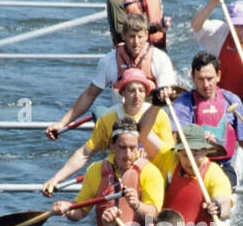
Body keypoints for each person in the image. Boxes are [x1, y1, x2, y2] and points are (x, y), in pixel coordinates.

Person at [50, 120, 164, 226]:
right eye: (123, 147)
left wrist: (136, 205)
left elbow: (153, 215)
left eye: (133, 148)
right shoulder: (96, 170)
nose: (129, 154)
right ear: (112, 145)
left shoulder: (150, 172)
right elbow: (80, 212)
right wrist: (67, 209)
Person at [41, 68, 172, 195]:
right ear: (123, 93)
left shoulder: (159, 115)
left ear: (146, 93)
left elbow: (169, 156)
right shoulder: (108, 119)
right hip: (120, 180)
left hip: (153, 179)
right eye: (131, 91)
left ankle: (150, 214)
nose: (137, 96)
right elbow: (84, 153)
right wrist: (56, 179)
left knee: (148, 215)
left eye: (141, 91)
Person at [45, 14, 177, 139]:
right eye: (132, 36)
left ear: (147, 35)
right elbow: (89, 95)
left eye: (140, 36)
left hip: (151, 122)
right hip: (122, 122)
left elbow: (168, 92)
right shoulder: (109, 61)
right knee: (99, 112)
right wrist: (61, 123)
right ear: (123, 36)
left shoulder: (160, 59)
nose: (136, 42)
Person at [170, 51, 243, 188]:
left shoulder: (231, 100)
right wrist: (199, 137)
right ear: (193, 77)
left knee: (224, 186)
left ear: (219, 76)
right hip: (193, 165)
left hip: (223, 167)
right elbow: (176, 136)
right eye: (200, 79)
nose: (206, 85)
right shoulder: (183, 103)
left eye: (210, 78)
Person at [151, 135, 234, 226]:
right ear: (178, 153)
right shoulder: (170, 159)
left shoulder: (214, 173)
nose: (191, 162)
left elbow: (225, 204)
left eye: (196, 154)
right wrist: (153, 111)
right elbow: (145, 134)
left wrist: (217, 207)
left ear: (206, 151)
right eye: (185, 155)